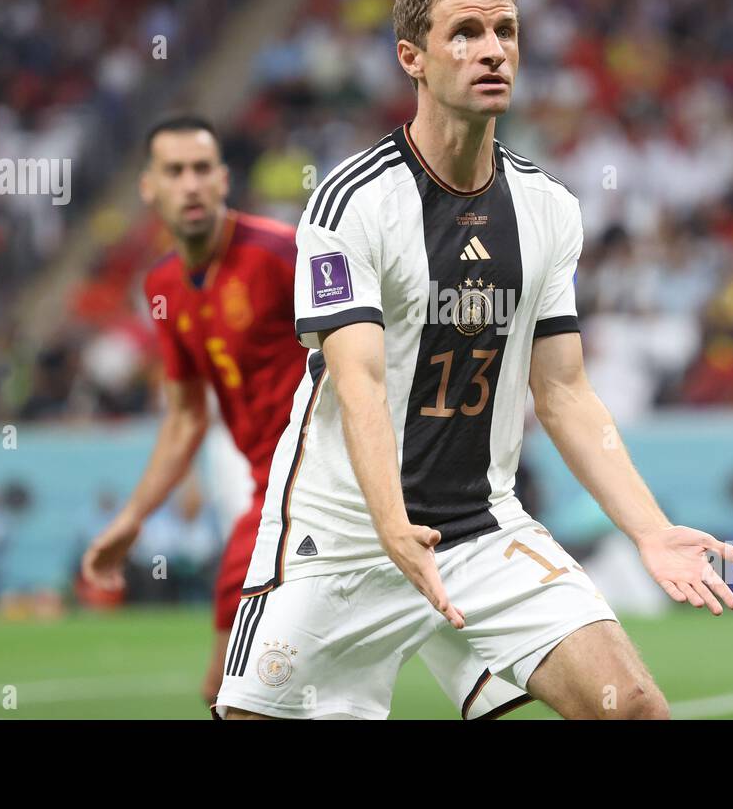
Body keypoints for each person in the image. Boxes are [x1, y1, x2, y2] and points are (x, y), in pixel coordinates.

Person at [216, 0, 733, 721]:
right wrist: (393, 529)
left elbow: (563, 390)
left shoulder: (547, 209)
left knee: (631, 706)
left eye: (505, 30)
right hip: (346, 537)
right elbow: (357, 380)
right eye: (464, 32)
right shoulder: (350, 203)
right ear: (414, 59)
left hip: (480, 529)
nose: (493, 49)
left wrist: (650, 528)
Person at [82, 114, 529, 718]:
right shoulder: (163, 285)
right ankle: (471, 664)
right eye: (174, 171)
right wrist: (133, 518)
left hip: (322, 482)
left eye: (201, 170)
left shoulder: (279, 252)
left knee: (233, 693)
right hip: (271, 494)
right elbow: (187, 416)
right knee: (265, 690)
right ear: (148, 187)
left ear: (223, 179)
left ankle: (474, 657)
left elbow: (380, 338)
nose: (190, 184)